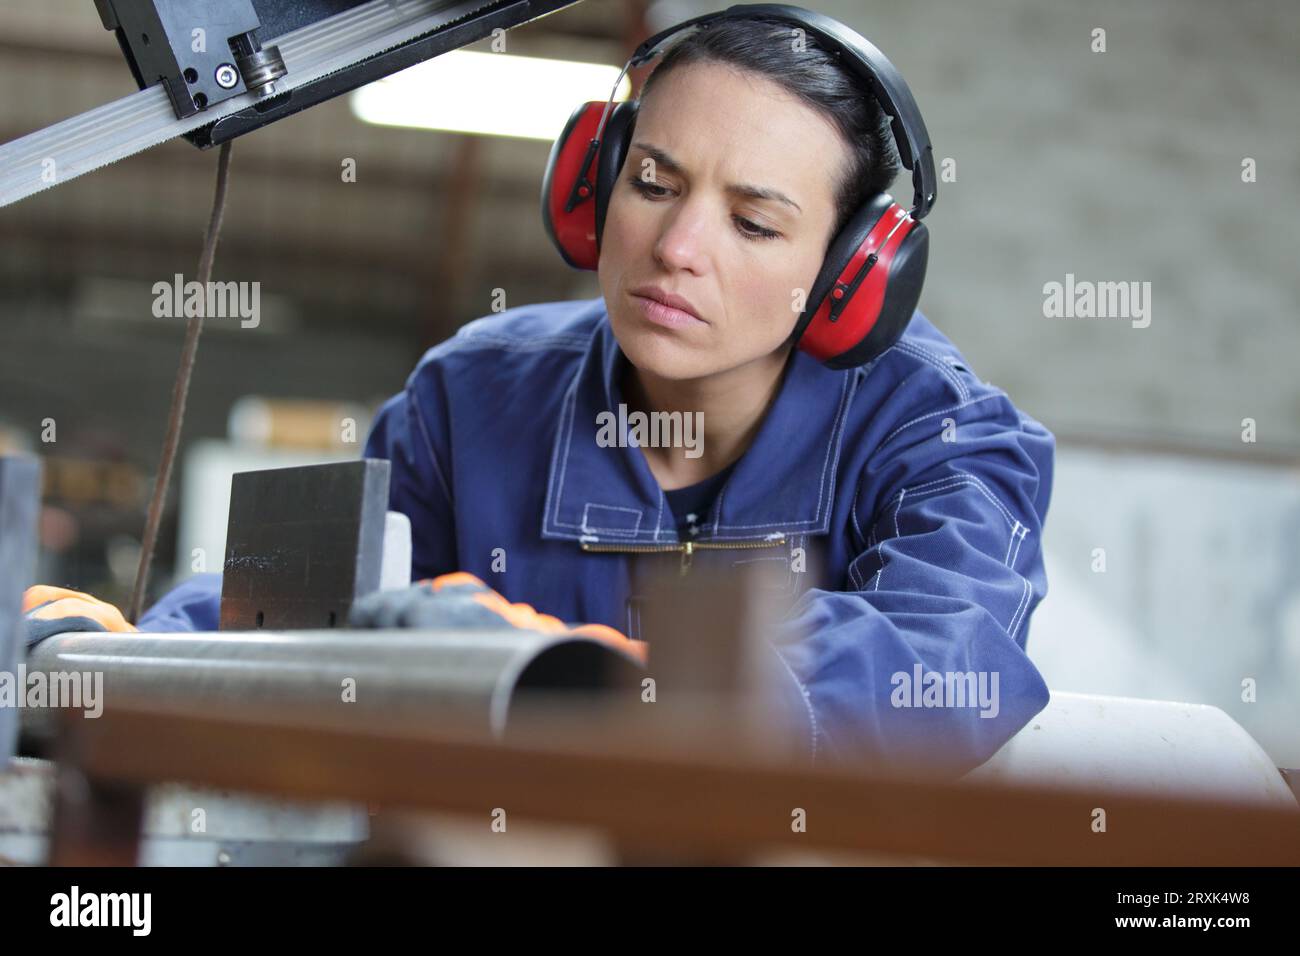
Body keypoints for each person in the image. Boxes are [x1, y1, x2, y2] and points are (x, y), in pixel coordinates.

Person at [24, 7, 1053, 775]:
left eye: (753, 222)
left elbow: (935, 664)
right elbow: (307, 616)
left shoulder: (944, 437)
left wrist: (569, 678)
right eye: (652, 182)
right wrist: (113, 647)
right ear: (590, 187)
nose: (677, 247)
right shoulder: (472, 395)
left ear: (847, 274)